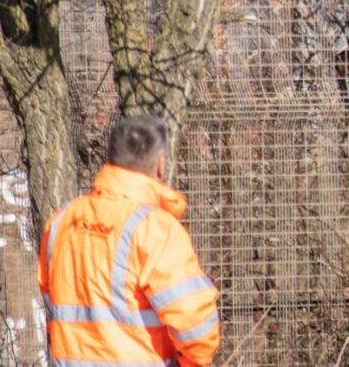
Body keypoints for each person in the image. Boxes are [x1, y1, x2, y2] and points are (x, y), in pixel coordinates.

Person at [38, 115, 220, 367]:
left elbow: (52, 298)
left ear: (110, 158)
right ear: (160, 165)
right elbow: (195, 324)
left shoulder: (61, 222)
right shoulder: (155, 229)